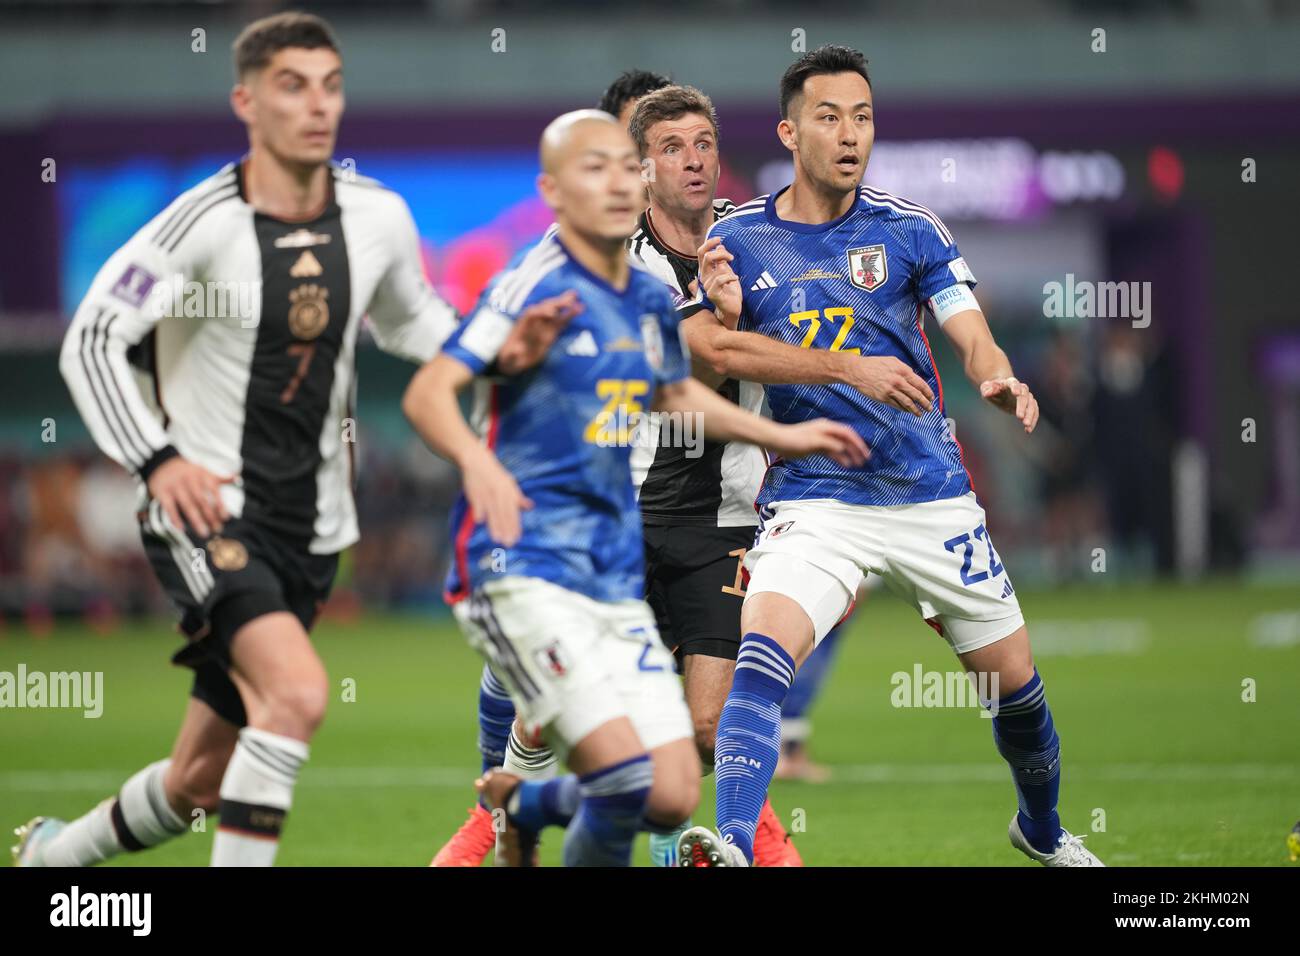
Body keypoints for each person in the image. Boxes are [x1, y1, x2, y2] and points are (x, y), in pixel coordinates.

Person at [13, 11, 570, 869]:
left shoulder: (377, 217)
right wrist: (157, 461)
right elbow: (91, 339)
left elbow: (416, 322)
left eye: (330, 85)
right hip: (209, 516)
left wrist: (503, 348)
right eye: (291, 86)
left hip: (310, 533)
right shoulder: (198, 225)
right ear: (246, 101)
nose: (317, 105)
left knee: (200, 777)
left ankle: (56, 861)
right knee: (300, 694)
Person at [402, 109, 868, 866]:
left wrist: (784, 436)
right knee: (615, 765)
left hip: (658, 551)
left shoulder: (653, 295)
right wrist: (481, 462)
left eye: (625, 166)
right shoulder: (533, 280)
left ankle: (522, 802)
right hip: (538, 560)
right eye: (599, 168)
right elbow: (428, 393)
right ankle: (506, 809)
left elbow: (676, 391)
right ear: (553, 190)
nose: (620, 182)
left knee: (674, 788)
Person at [676, 45, 1104, 867]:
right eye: (829, 116)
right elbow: (704, 355)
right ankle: (731, 846)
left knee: (1014, 685)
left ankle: (1044, 832)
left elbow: (966, 327)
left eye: (863, 117)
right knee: (762, 653)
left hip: (928, 496)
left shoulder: (909, 229)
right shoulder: (737, 239)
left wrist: (997, 374)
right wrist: (735, 322)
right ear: (789, 131)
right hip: (815, 497)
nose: (850, 134)